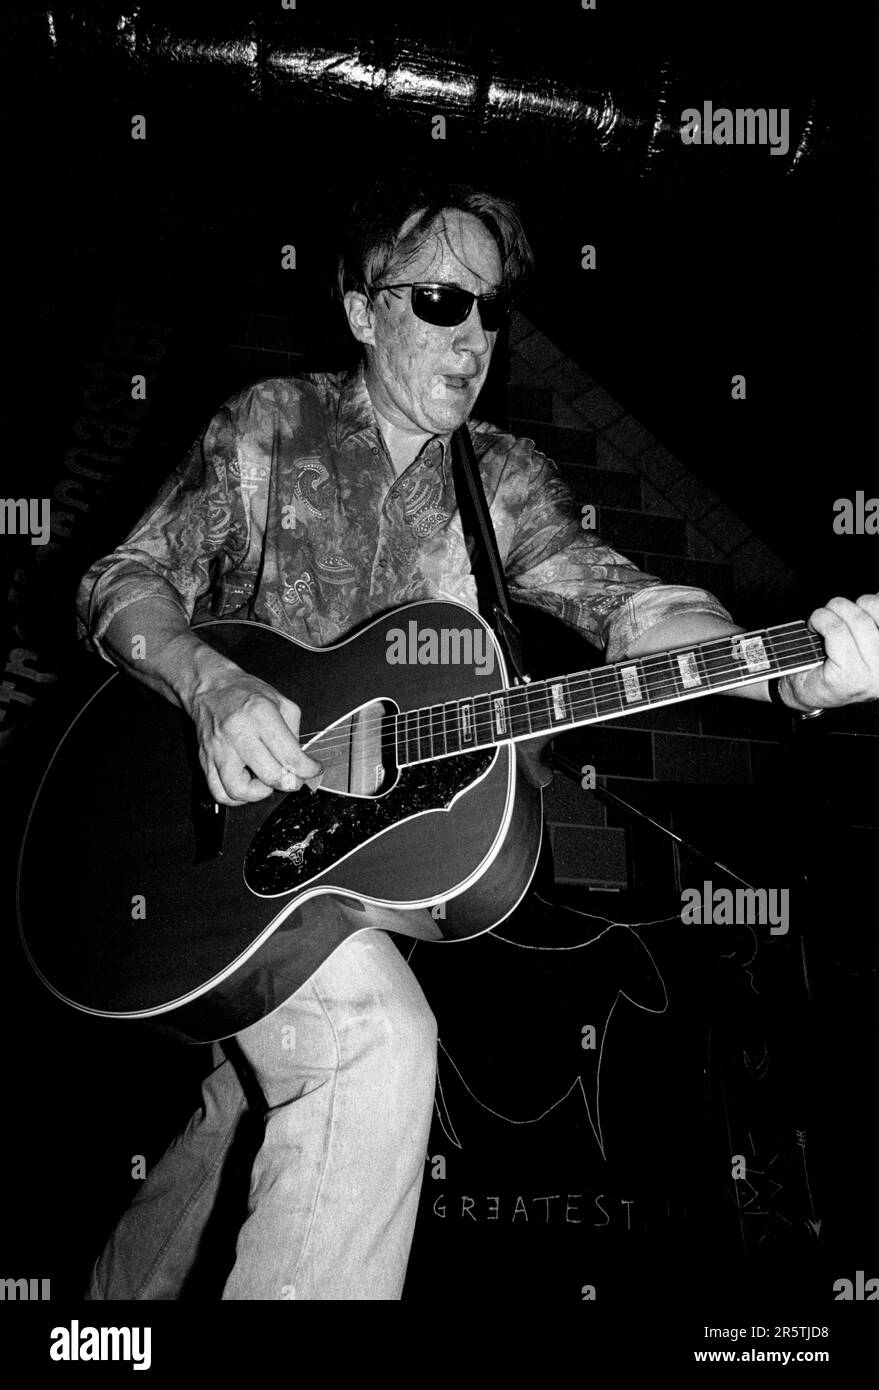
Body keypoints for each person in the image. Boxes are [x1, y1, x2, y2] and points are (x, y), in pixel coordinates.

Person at [75, 176, 879, 1301]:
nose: (475, 337)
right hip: (206, 846)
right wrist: (207, 683)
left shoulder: (501, 483)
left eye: (492, 310)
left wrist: (788, 667)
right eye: (443, 300)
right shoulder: (270, 424)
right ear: (363, 308)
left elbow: (635, 609)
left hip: (339, 888)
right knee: (375, 1049)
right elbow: (121, 578)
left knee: (239, 1127)